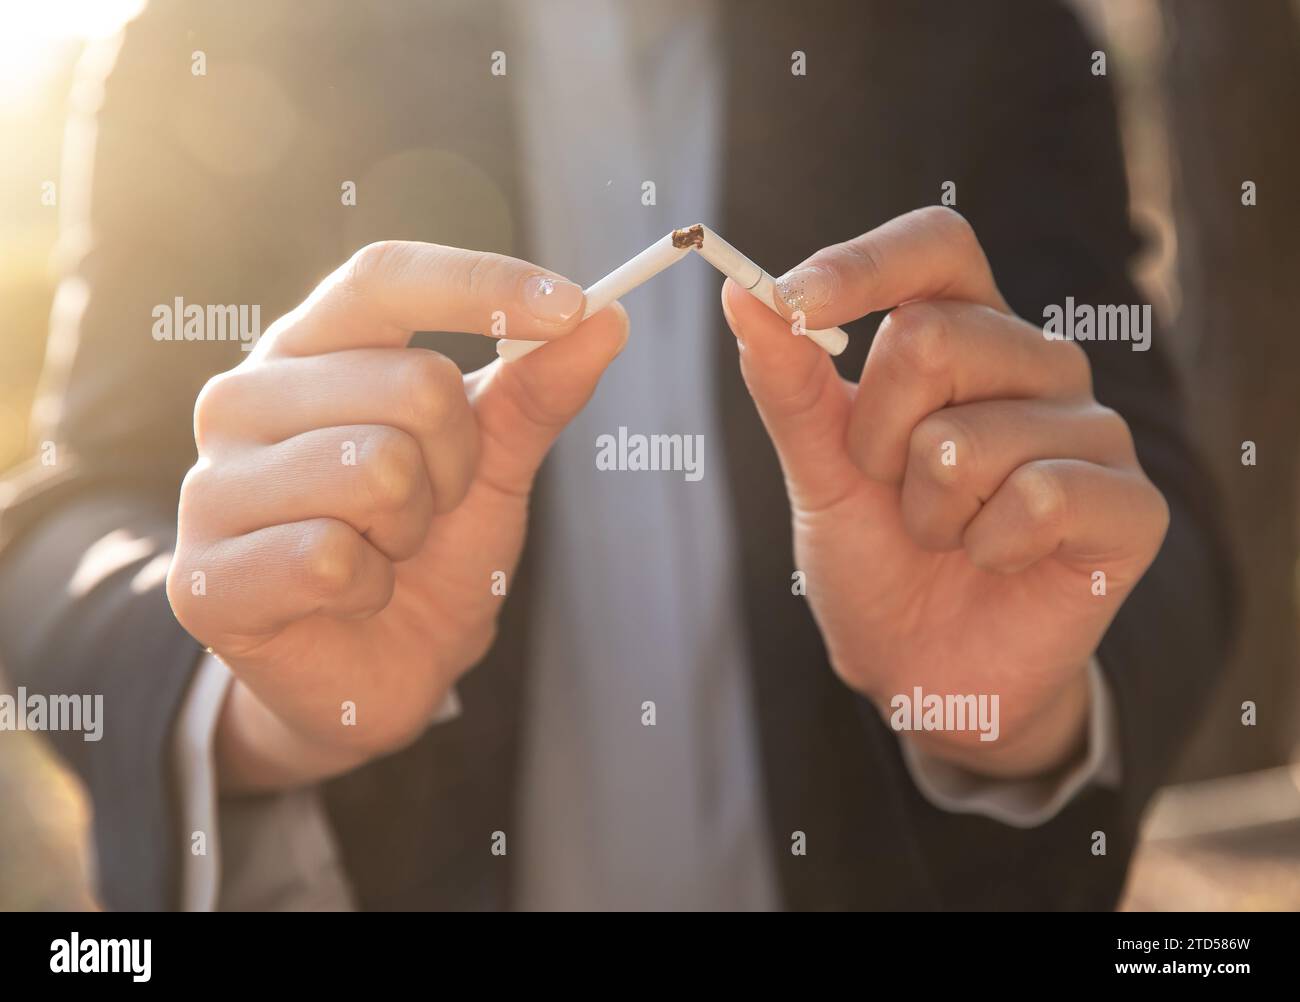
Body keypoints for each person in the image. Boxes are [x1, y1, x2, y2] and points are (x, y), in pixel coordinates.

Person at [0, 0, 1232, 910]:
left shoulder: (986, 38)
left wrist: (1009, 707)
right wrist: (251, 682)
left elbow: (1147, 503)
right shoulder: (219, 37)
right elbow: (72, 514)